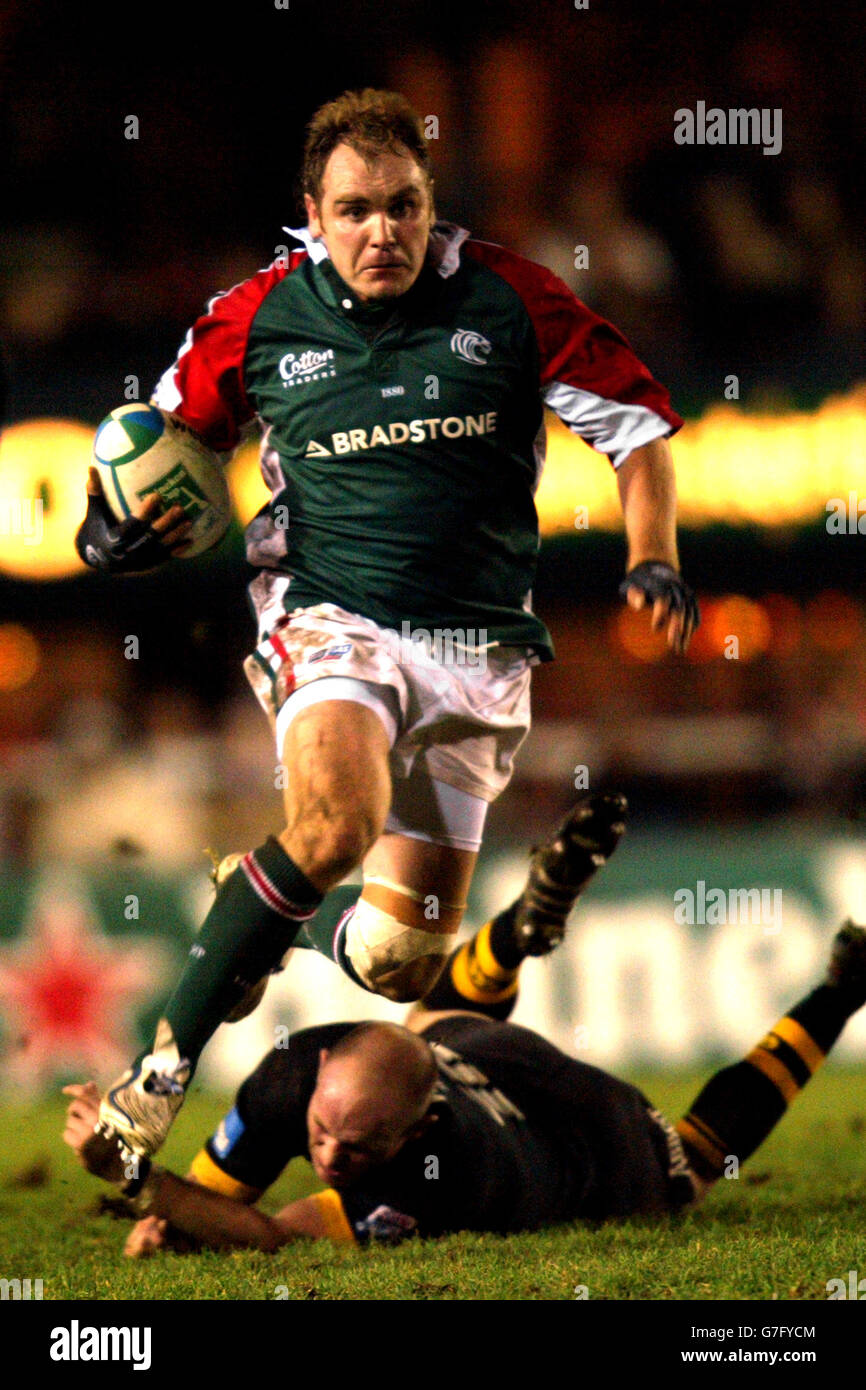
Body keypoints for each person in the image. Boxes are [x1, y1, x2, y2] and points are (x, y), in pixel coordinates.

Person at [73, 87, 699, 1161]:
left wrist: (652, 555)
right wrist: (107, 524)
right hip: (327, 614)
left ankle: (261, 895)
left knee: (401, 958)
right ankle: (154, 1079)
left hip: (476, 646)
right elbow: (158, 439)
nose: (382, 232)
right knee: (334, 823)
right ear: (311, 213)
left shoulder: (511, 298)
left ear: (429, 202)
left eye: (403, 206)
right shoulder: (256, 315)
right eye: (355, 209)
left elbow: (637, 430)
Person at [64, 858, 866, 1253]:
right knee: (437, 1014)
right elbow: (210, 1199)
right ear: (316, 1079)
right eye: (322, 1131)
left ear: (414, 1137)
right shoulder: (294, 1071)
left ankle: (841, 992)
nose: (331, 1154)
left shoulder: (436, 1178)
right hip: (464, 1051)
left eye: (359, 1147)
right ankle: (513, 936)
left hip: (590, 1131)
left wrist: (137, 1182)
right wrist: (172, 1214)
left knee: (692, 1163)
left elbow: (274, 1234)